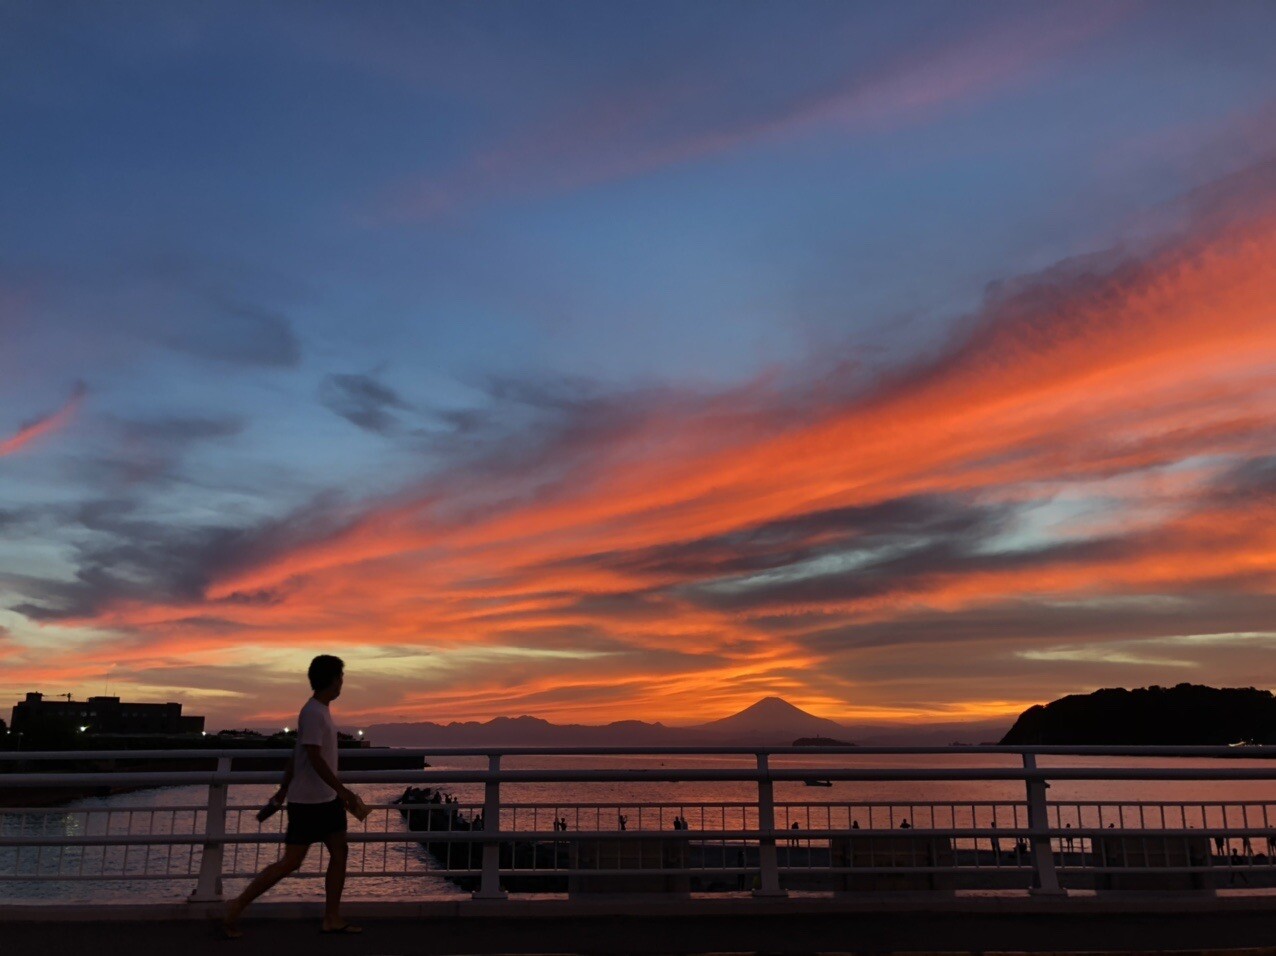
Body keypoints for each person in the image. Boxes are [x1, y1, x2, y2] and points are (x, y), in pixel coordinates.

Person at [222, 655, 361, 938]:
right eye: (340, 677)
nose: (342, 683)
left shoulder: (318, 710)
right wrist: (342, 790)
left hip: (323, 800)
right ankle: (235, 907)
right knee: (291, 862)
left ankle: (332, 918)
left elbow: (296, 755)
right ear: (333, 679)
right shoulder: (313, 712)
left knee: (339, 852)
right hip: (311, 802)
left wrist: (282, 790)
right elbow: (313, 756)